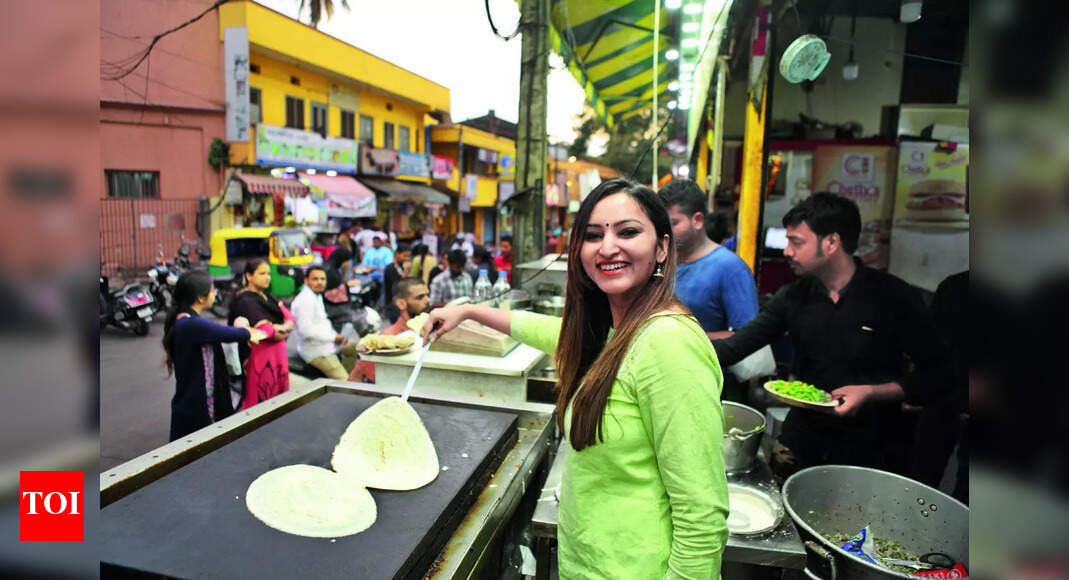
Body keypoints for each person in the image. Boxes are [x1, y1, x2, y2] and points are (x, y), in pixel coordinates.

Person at [422, 178, 727, 579]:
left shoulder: (668, 343)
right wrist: (470, 312)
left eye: (628, 231)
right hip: (586, 564)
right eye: (593, 235)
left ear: (662, 248)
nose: (607, 247)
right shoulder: (615, 331)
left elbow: (702, 516)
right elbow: (549, 330)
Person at [711, 192, 950, 479]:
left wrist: (872, 392)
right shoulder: (793, 296)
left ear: (832, 242)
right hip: (804, 437)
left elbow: (940, 373)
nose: (787, 251)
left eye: (796, 242)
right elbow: (737, 346)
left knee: (859, 524)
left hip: (874, 445)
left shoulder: (893, 297)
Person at [660, 179, 759, 401]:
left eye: (673, 223)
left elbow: (749, 337)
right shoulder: (662, 261)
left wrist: (683, 337)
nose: (665, 232)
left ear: (697, 220)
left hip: (707, 386)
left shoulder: (730, 268)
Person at [163, 270, 254, 441]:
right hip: (199, 402)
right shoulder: (192, 324)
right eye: (212, 290)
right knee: (196, 448)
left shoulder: (184, 319)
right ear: (200, 298)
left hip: (190, 399)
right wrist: (242, 325)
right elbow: (237, 334)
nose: (215, 293)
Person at [228, 259, 296, 410]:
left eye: (269, 274)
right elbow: (267, 331)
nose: (267, 277)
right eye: (262, 273)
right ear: (249, 276)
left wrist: (282, 328)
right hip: (260, 358)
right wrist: (283, 328)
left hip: (278, 355)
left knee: (279, 401)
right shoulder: (245, 300)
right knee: (262, 401)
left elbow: (290, 318)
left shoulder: (268, 296)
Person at [349, 277, 431, 383]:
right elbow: (356, 376)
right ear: (401, 303)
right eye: (420, 297)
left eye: (427, 295)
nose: (428, 301)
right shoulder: (388, 338)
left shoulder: (427, 330)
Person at [290, 265, 355, 380]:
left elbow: (323, 322)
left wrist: (337, 337)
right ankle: (347, 384)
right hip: (316, 351)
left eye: (322, 279)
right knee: (346, 382)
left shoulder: (316, 295)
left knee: (355, 349)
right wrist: (334, 338)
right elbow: (306, 331)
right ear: (306, 281)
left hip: (327, 345)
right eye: (315, 279)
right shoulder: (305, 300)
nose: (319, 282)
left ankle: (351, 378)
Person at [383, 242, 411, 311]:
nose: (407, 258)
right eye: (405, 256)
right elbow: (397, 286)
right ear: (397, 254)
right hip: (392, 304)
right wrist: (405, 271)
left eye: (408, 256)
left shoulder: (402, 266)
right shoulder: (390, 268)